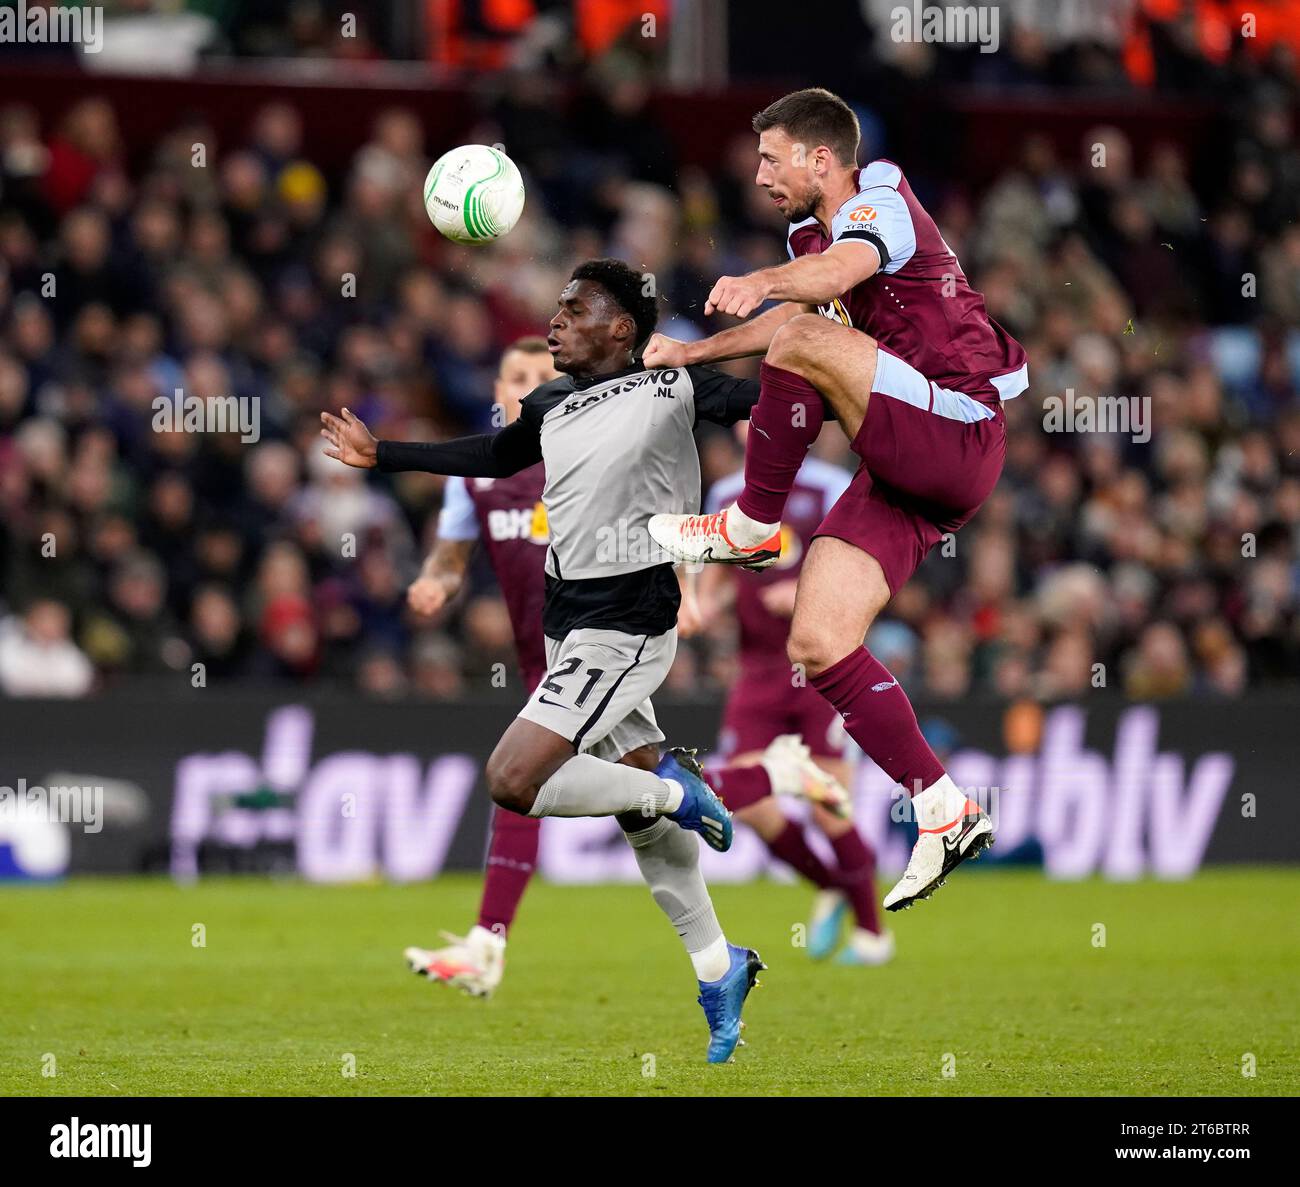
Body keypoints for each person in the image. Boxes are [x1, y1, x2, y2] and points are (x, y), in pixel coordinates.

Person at [324, 258, 803, 1062]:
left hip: (628, 624)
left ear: (622, 327)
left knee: (513, 779)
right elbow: (496, 455)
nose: (555, 320)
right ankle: (720, 967)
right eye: (556, 306)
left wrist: (848, 362)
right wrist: (388, 456)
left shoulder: (677, 380)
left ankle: (675, 789)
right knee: (641, 823)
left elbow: (785, 399)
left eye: (575, 308)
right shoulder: (549, 400)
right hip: (567, 625)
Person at [645, 88, 1028, 911]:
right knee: (818, 640)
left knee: (803, 337)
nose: (758, 175)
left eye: (769, 158)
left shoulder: (882, 199)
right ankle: (942, 806)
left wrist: (757, 281)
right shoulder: (807, 237)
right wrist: (690, 352)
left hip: (958, 427)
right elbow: (793, 312)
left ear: (822, 159)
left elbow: (829, 283)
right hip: (907, 469)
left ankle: (751, 524)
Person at [400, 336, 555, 998]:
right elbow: (451, 554)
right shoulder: (479, 475)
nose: (525, 386)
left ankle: (487, 943)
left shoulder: (598, 451)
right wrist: (436, 581)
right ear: (497, 391)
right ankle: (754, 777)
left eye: (543, 376)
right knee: (649, 810)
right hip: (539, 664)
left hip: (607, 650)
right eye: (514, 375)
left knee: (516, 777)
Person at [701, 439, 893, 965]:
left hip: (823, 664)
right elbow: (714, 574)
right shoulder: (725, 494)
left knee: (829, 807)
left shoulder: (830, 488)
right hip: (757, 672)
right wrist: (699, 605)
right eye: (744, 414)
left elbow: (863, 567)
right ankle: (831, 885)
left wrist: (807, 592)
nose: (752, 423)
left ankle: (873, 935)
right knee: (750, 804)